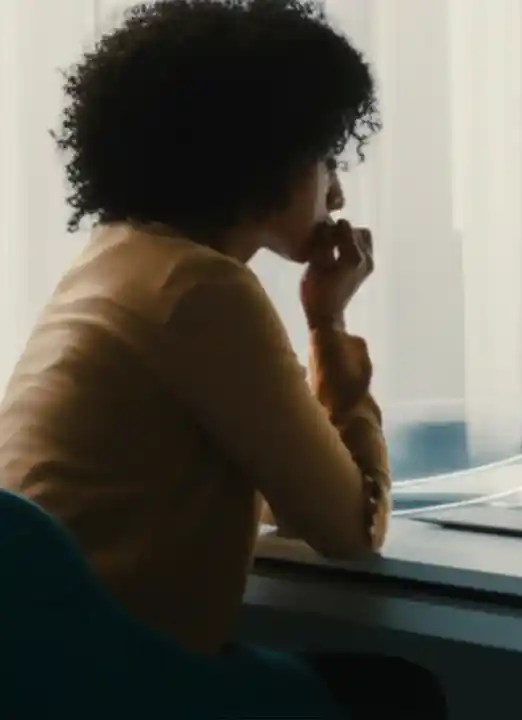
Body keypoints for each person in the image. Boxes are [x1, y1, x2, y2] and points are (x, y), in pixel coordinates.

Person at [0, 1, 445, 717]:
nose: (336, 191)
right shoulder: (202, 291)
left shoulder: (114, 261)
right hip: (120, 682)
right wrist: (327, 322)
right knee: (401, 695)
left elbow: (268, 486)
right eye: (326, 157)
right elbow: (350, 527)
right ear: (265, 157)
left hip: (39, 672)